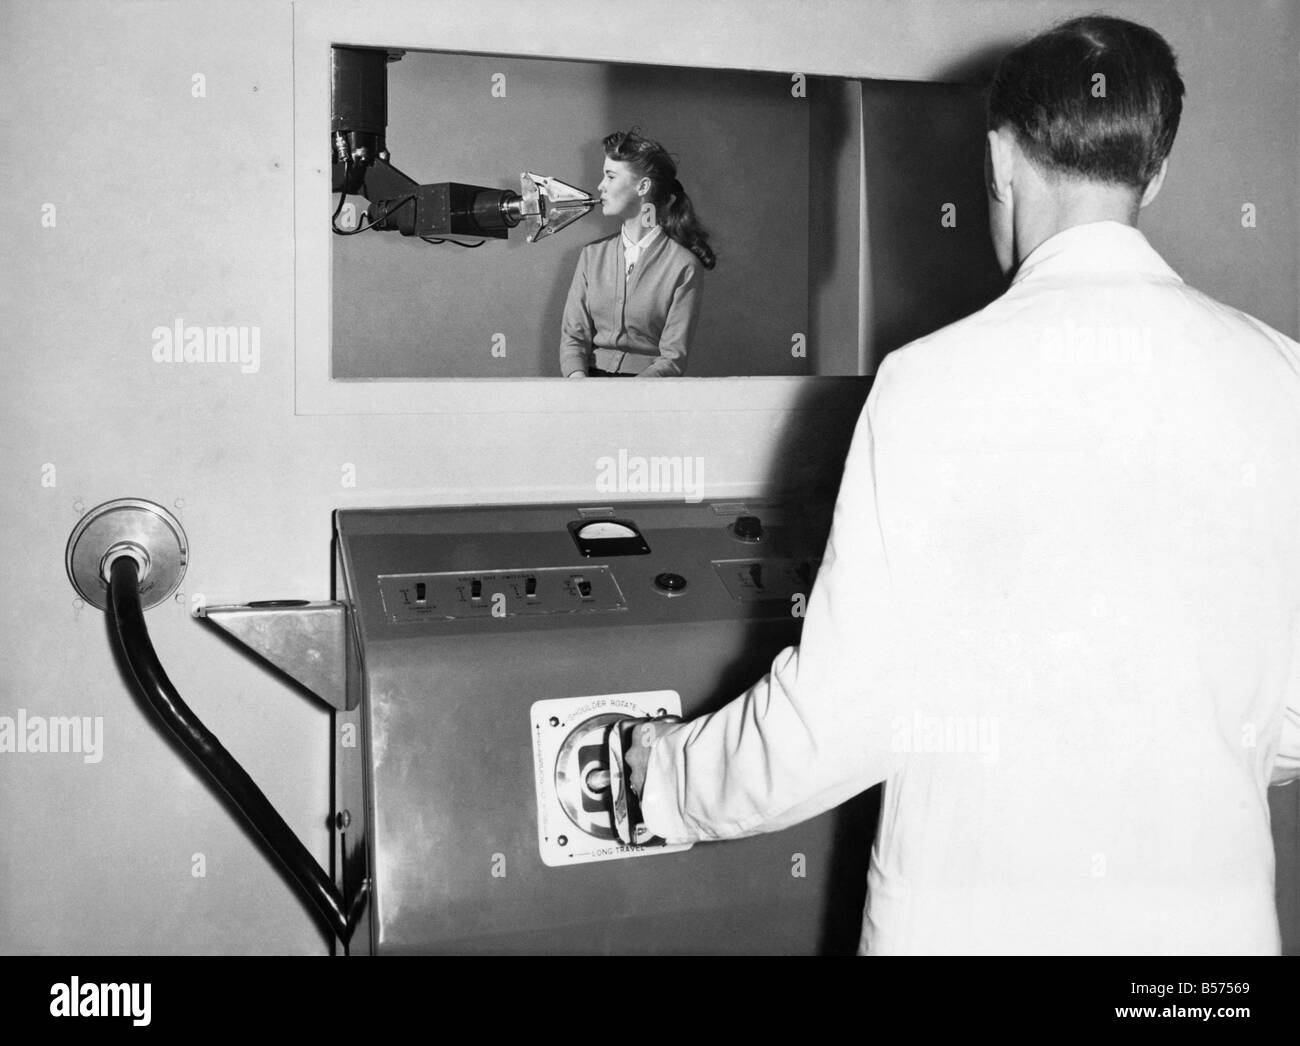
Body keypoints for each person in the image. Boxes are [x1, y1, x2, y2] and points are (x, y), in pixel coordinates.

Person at [624, 15, 1300, 954]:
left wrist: (663, 777)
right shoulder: (1282, 377)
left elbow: (836, 719)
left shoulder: (932, 383)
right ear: (1157, 171)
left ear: (999, 158)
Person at [559, 130, 715, 378]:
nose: (601, 186)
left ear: (643, 186)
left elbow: (672, 359)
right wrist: (581, 387)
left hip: (645, 396)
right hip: (586, 389)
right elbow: (573, 339)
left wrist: (627, 400)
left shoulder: (684, 266)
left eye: (610, 176)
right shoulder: (591, 255)